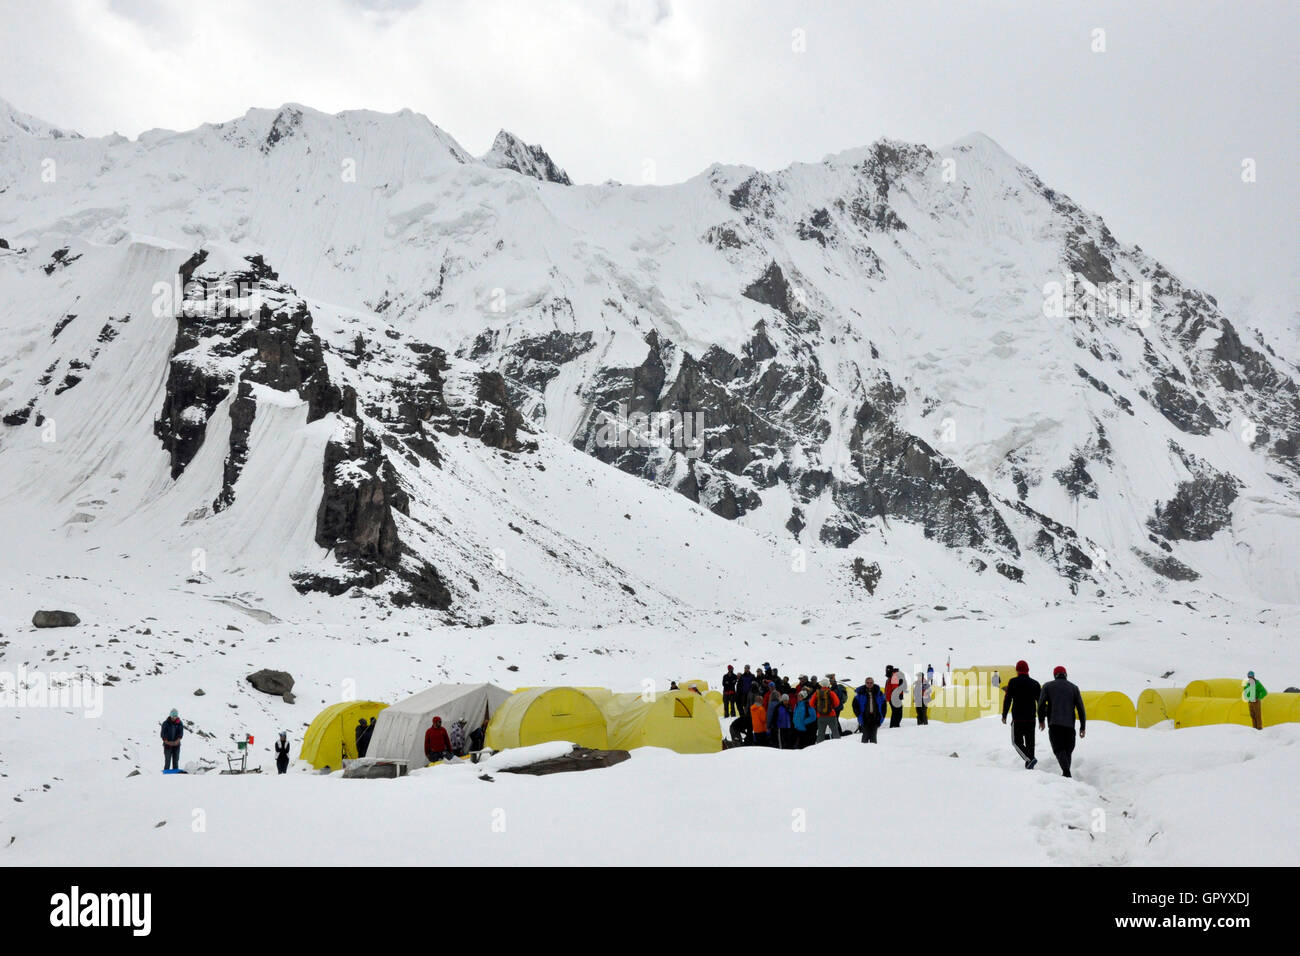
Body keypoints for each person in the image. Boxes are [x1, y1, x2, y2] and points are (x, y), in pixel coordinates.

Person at [1038, 666, 1086, 777]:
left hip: (1054, 724)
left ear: (1055, 675)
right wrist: (1082, 727)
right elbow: (1081, 708)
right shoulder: (1074, 688)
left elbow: (1041, 705)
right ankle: (1066, 775)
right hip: (1070, 725)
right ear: (1066, 674)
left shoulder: (1047, 686)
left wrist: (1041, 720)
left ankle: (1066, 773)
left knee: (1058, 749)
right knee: (1067, 750)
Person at [1002, 660, 1041, 769]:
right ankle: (1030, 765)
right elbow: (1040, 702)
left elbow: (1008, 699)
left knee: (1016, 741)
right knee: (1030, 743)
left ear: (1017, 670)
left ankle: (1029, 760)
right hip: (1031, 719)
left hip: (1018, 718)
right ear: (1028, 670)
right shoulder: (1035, 683)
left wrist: (1004, 714)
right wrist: (1042, 719)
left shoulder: (1013, 682)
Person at [854, 678, 886, 743]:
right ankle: (863, 751)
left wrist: (882, 716)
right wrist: (859, 715)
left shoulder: (879, 693)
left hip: (875, 717)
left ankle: (874, 751)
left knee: (873, 737)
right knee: (865, 736)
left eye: (871, 683)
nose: (869, 684)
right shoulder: (860, 694)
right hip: (864, 717)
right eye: (867, 683)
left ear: (873, 683)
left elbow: (884, 706)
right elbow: (854, 705)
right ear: (865, 683)